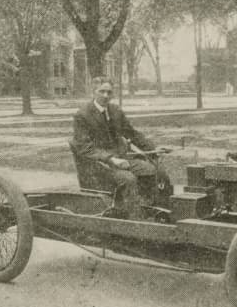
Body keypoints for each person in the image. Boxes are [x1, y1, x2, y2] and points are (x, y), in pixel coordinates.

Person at [71, 76, 170, 218]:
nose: (106, 96)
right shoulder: (82, 115)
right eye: (102, 91)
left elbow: (132, 134)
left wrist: (154, 148)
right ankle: (134, 220)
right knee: (128, 179)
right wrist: (110, 159)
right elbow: (85, 148)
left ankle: (151, 209)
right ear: (93, 91)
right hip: (98, 165)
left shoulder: (115, 111)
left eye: (109, 92)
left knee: (152, 170)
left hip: (122, 160)